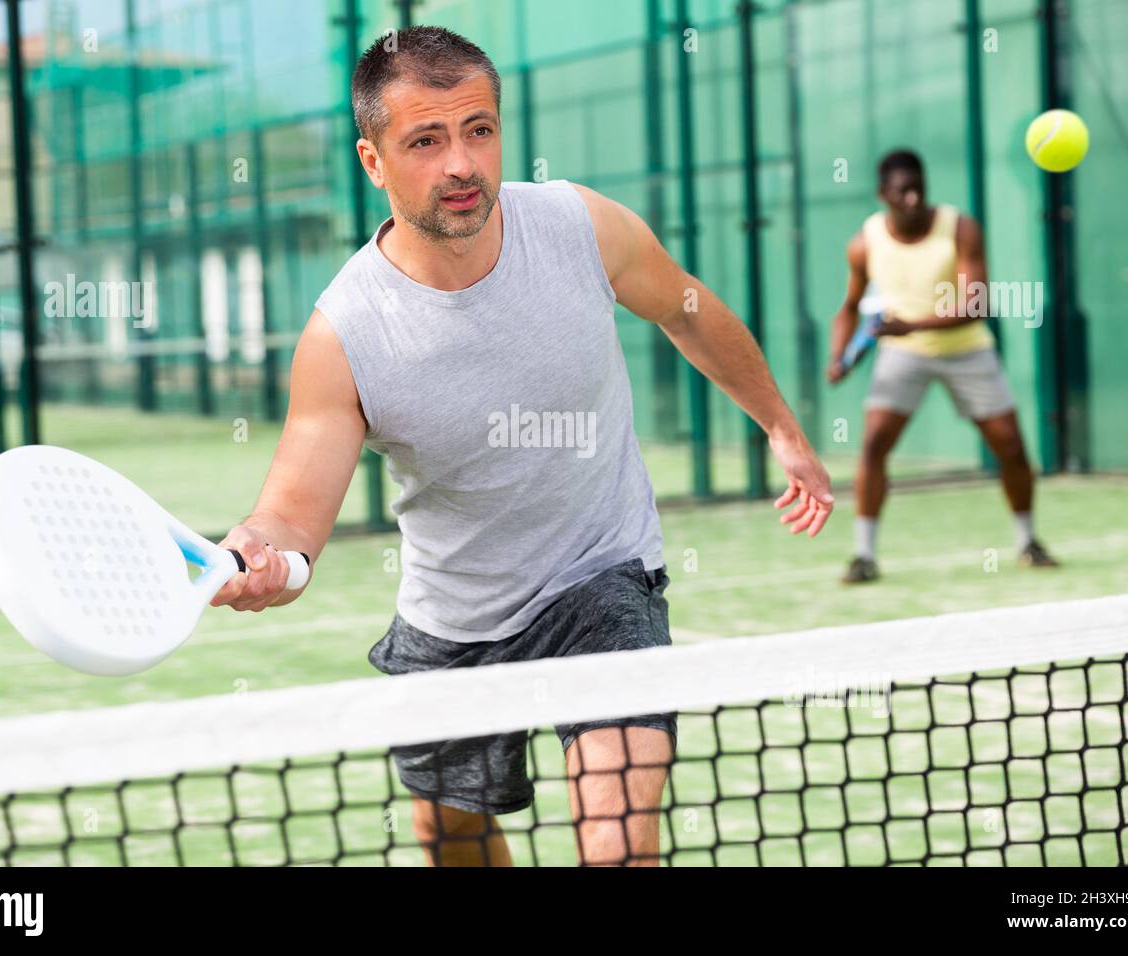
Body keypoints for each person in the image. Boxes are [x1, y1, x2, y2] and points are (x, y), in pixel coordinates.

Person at [211, 26, 833, 866]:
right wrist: (260, 548)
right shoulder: (346, 332)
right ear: (373, 160)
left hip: (601, 576)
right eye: (425, 141)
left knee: (615, 841)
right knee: (450, 840)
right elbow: (291, 509)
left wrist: (784, 429)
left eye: (479, 130)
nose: (461, 164)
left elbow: (684, 307)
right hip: (453, 615)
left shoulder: (580, 226)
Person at [827, 149, 1058, 584]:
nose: (912, 199)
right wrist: (839, 356)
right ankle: (863, 555)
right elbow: (848, 308)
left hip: (965, 348)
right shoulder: (865, 242)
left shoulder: (960, 228)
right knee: (874, 443)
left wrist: (909, 324)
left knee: (1010, 446)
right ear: (883, 195)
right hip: (903, 353)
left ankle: (1028, 542)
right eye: (902, 192)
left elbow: (975, 305)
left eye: (918, 189)